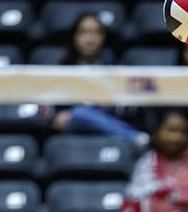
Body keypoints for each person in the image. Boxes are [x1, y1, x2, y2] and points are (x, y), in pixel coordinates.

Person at [47, 13, 149, 147]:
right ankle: (133, 137)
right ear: (74, 36)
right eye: (84, 32)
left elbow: (127, 108)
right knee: (79, 114)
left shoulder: (116, 70)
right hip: (74, 130)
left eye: (96, 33)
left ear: (103, 37)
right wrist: (56, 117)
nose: (90, 39)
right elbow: (54, 112)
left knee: (80, 113)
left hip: (110, 126)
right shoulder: (62, 71)